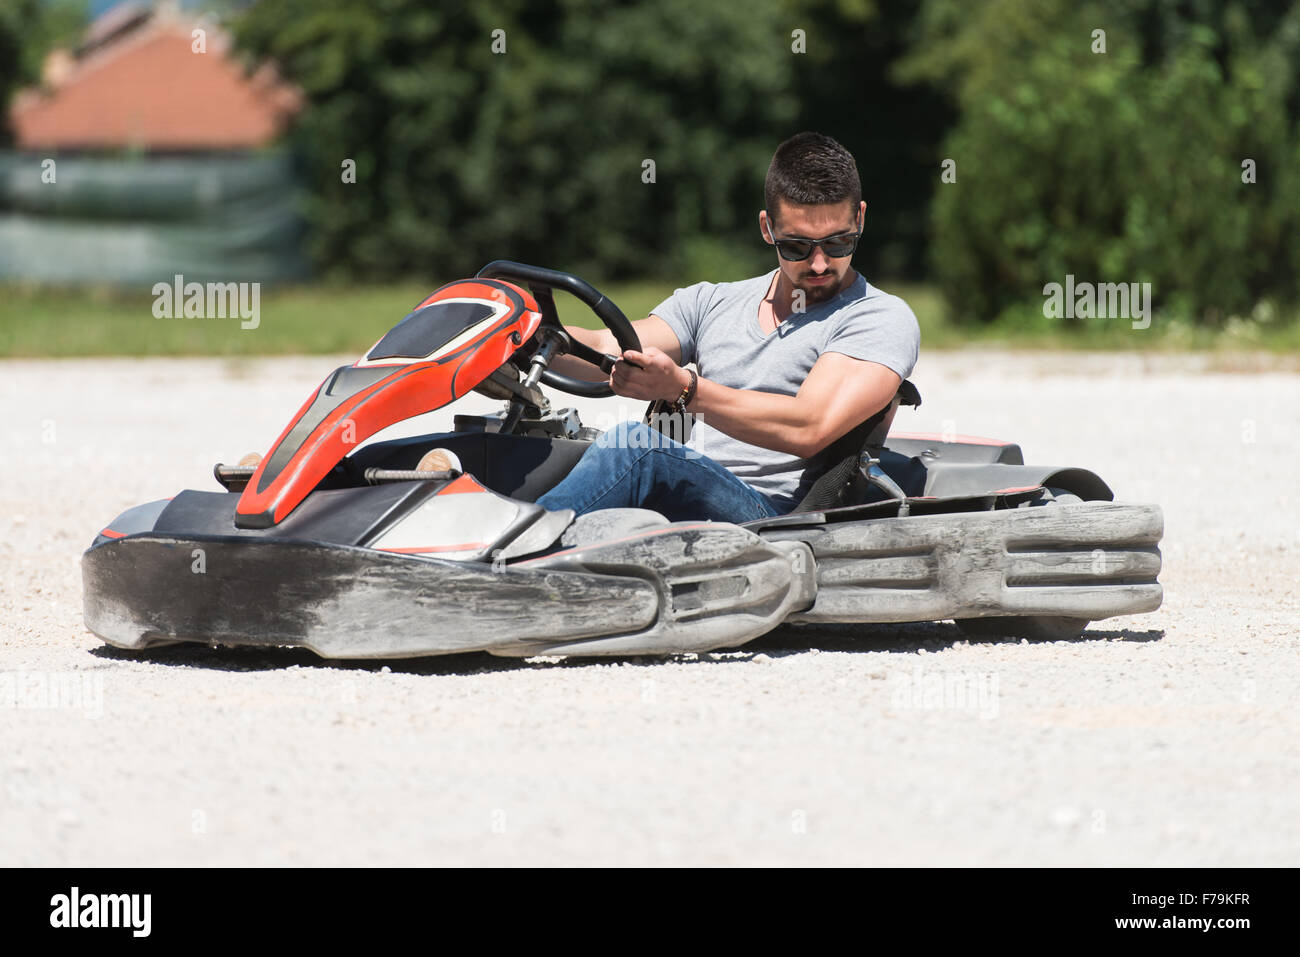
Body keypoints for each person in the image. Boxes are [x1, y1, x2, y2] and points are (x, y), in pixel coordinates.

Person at [527, 131, 920, 523]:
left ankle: (510, 557)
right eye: (797, 247)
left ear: (861, 219)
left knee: (637, 448)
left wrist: (685, 391)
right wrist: (520, 334)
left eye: (837, 243)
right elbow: (605, 344)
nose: (819, 263)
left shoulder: (878, 317)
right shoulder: (712, 301)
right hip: (691, 489)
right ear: (768, 229)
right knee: (498, 445)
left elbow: (810, 426)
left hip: (773, 518)